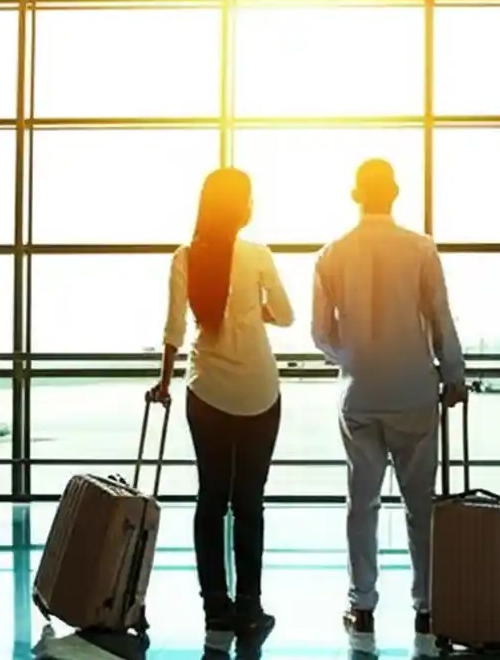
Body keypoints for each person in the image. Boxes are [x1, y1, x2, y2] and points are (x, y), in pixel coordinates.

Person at [311, 158, 467, 641]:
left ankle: (362, 605)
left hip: (360, 394)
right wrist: (453, 374)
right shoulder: (420, 249)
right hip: (414, 391)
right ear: (395, 194)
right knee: (421, 506)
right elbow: (439, 316)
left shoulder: (331, 254)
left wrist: (353, 358)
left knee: (362, 503)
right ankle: (427, 607)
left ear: (355, 195)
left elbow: (320, 332)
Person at [146, 167, 294, 653]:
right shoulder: (258, 255)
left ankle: (216, 607)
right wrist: (256, 312)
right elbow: (287, 315)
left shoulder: (185, 257)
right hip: (259, 393)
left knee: (211, 499)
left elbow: (173, 328)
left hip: (207, 391)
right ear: (242, 207)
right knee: (250, 502)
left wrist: (164, 383)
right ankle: (249, 607)